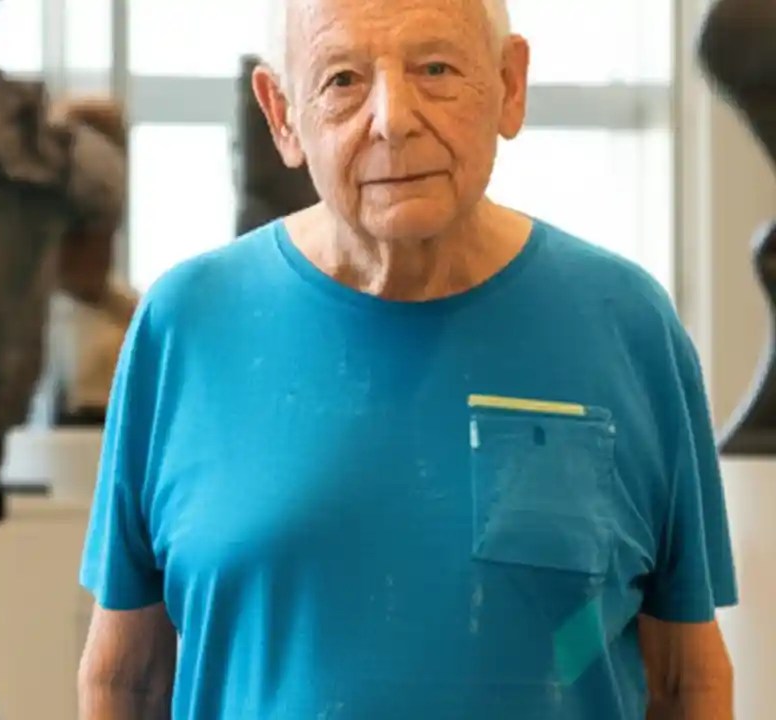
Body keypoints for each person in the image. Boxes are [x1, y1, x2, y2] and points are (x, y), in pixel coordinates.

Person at [77, 0, 739, 718]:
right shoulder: (185, 327)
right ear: (282, 116)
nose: (393, 119)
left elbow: (686, 681)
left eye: (435, 68)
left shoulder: (628, 326)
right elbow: (125, 681)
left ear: (510, 85)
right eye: (342, 81)